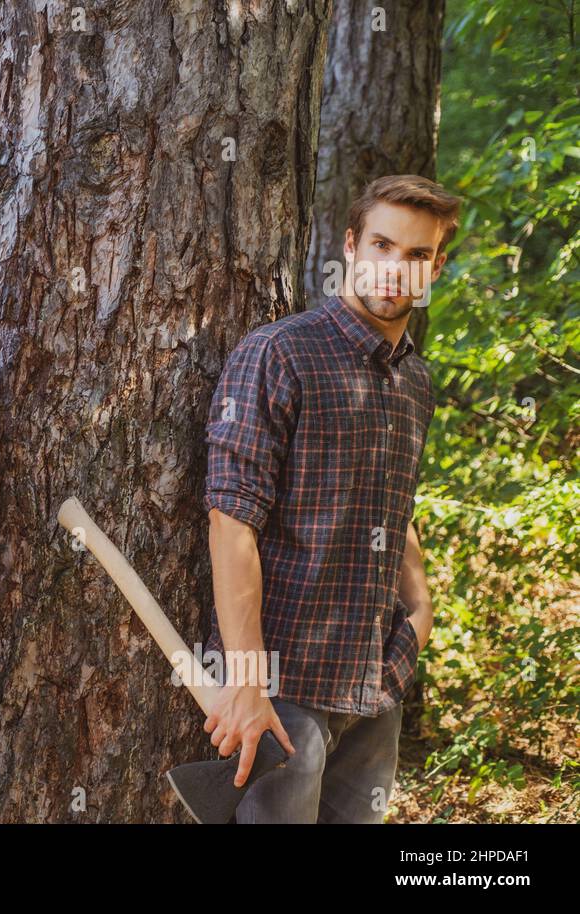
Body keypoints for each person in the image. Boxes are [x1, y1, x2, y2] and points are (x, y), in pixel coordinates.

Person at [203, 174, 461, 823]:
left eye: (416, 255)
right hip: (284, 694)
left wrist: (422, 607)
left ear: (436, 265)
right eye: (382, 244)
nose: (395, 268)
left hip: (375, 685)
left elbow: (395, 506)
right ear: (350, 244)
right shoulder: (279, 354)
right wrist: (246, 681)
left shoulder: (416, 381)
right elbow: (231, 522)